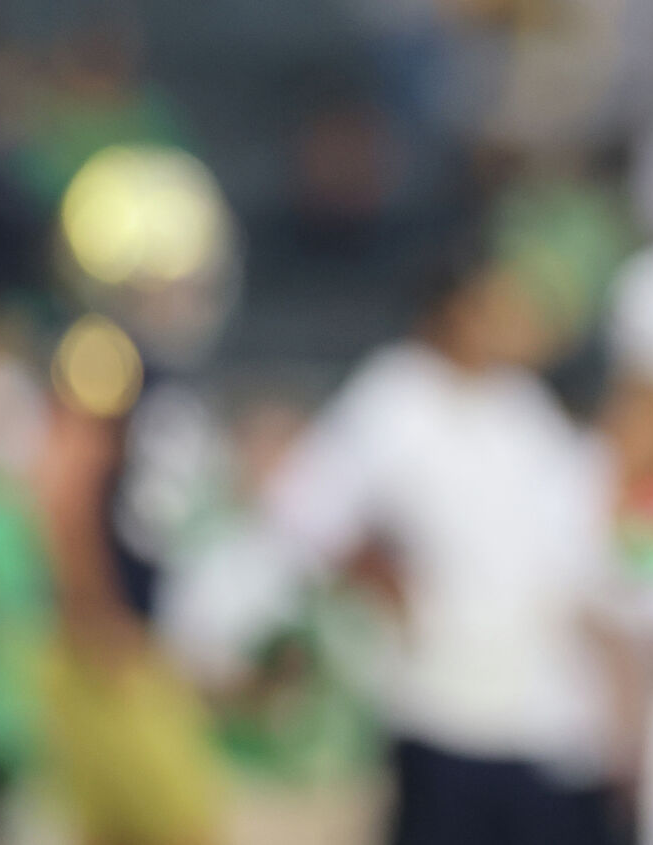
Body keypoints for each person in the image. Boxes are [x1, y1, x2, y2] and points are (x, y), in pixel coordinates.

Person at [263, 238, 628, 845]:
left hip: (547, 713)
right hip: (442, 706)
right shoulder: (394, 398)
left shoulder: (526, 410)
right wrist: (376, 573)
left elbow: (578, 555)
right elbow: (303, 507)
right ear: (453, 310)